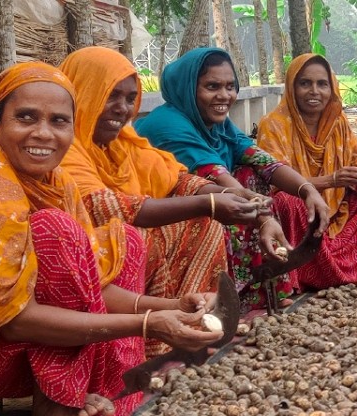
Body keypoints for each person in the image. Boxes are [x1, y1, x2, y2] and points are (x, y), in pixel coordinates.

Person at [0, 63, 221, 416]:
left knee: (119, 240)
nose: (43, 133)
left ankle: (98, 391)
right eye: (25, 117)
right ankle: (52, 404)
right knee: (56, 231)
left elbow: (95, 286)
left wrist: (170, 306)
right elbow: (15, 321)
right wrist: (148, 325)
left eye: (59, 121)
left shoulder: (58, 184)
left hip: (8, 348)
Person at [59, 47, 263, 305]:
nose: (122, 109)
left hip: (122, 236)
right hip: (74, 256)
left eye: (130, 99)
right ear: (81, 92)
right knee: (132, 239)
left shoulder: (121, 143)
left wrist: (227, 195)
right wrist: (210, 203)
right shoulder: (64, 146)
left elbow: (176, 179)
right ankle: (156, 326)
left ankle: (195, 317)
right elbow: (102, 207)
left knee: (205, 223)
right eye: (111, 95)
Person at [135, 47, 331, 306]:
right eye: (212, 86)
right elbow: (217, 178)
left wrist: (308, 190)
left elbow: (262, 160)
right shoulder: (168, 124)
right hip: (162, 214)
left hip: (213, 195)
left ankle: (259, 292)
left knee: (254, 175)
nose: (224, 96)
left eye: (230, 86)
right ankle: (225, 298)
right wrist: (264, 221)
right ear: (187, 88)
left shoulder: (218, 124)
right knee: (233, 197)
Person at [256, 53, 357, 288]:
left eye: (322, 84)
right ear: (292, 87)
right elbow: (273, 181)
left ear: (332, 87)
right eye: (305, 83)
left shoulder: (337, 121)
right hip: (303, 213)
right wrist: (330, 180)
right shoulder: (273, 125)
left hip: (338, 211)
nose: (314, 91)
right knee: (286, 201)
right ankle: (299, 275)